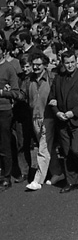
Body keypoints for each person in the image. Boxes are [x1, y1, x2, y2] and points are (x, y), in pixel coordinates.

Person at [48, 48, 78, 192]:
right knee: (67, 152)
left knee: (77, 149)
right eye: (67, 63)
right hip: (62, 120)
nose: (70, 65)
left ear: (76, 61)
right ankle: (71, 180)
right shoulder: (58, 78)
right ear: (63, 63)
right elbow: (52, 98)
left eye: (73, 62)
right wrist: (57, 112)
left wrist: (73, 113)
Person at [24, 52, 63, 190]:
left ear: (45, 65)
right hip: (35, 117)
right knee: (48, 147)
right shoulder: (29, 79)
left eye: (38, 65)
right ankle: (57, 172)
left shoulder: (52, 78)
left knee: (43, 148)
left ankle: (37, 180)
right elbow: (22, 95)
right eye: (34, 65)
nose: (35, 67)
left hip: (48, 118)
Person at [0, 45, 23, 192]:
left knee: (4, 144)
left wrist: (2, 92)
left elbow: (16, 92)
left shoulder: (9, 68)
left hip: (4, 110)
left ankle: (6, 177)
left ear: (3, 51)